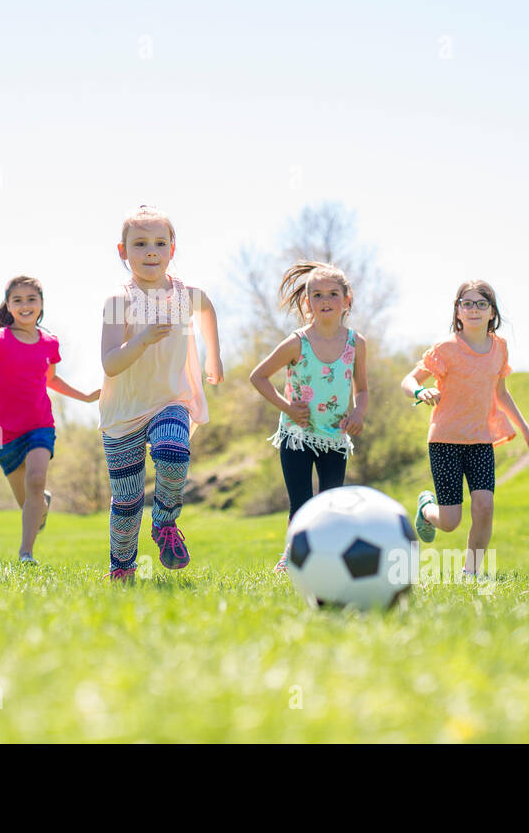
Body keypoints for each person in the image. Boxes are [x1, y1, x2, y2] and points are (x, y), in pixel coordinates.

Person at [99, 206, 223, 581]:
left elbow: (208, 310)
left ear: (172, 249)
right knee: (127, 501)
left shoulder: (186, 295)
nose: (150, 251)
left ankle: (165, 522)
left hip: (172, 398)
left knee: (172, 451)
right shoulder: (117, 302)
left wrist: (213, 357)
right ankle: (122, 568)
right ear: (122, 251)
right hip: (123, 413)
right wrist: (142, 338)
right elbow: (110, 363)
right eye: (140, 244)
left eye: (159, 243)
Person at [401, 280, 529, 576]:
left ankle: (472, 572)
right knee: (451, 521)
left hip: (480, 440)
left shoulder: (499, 348)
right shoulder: (446, 348)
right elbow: (409, 380)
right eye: (467, 303)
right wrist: (420, 392)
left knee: (484, 507)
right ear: (458, 311)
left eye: (482, 303)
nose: (474, 309)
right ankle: (426, 509)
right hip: (445, 440)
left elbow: (501, 394)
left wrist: (528, 432)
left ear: (492, 312)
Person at [0, 275, 100, 563]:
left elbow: (51, 380)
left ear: (41, 304)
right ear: (9, 306)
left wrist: (85, 397)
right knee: (27, 499)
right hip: (2, 429)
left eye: (31, 299)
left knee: (36, 480)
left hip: (40, 423)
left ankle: (26, 553)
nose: (25, 305)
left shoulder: (49, 343)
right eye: (18, 300)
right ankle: (40, 507)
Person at [249, 261, 367, 572]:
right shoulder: (296, 342)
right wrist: (286, 407)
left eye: (332, 294)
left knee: (330, 505)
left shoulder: (356, 344)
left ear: (347, 299)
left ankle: (325, 560)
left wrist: (358, 412)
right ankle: (292, 560)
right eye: (316, 295)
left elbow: (363, 389)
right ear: (307, 302)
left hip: (335, 438)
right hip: (297, 435)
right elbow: (258, 377)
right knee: (300, 503)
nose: (324, 301)